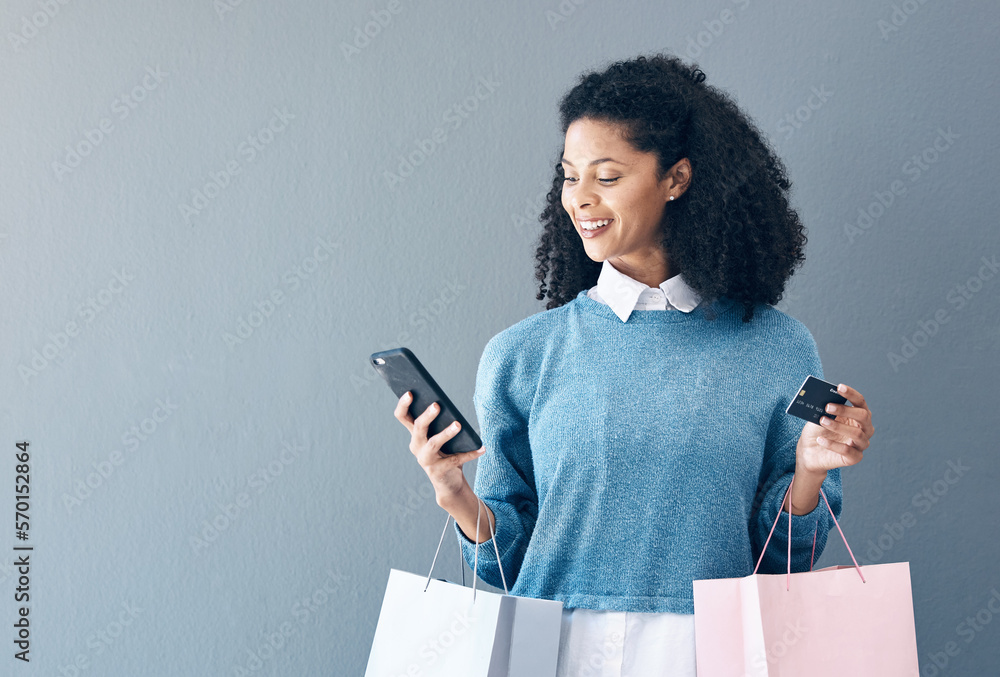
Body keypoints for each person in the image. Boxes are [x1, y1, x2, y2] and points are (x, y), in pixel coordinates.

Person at [392, 53, 874, 676]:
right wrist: (452, 490)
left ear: (676, 178)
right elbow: (505, 564)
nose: (580, 199)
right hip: (548, 654)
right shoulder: (520, 355)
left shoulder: (780, 348)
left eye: (607, 176)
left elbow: (787, 562)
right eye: (569, 177)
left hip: (713, 654)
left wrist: (810, 470)